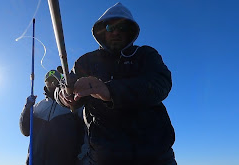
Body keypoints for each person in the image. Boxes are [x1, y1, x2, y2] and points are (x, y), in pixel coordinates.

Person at [55, 2, 177, 165]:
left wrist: (110, 91)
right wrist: (63, 95)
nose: (116, 32)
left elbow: (160, 84)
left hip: (155, 155)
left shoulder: (145, 55)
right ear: (102, 31)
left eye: (122, 28)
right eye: (110, 28)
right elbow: (68, 86)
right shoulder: (86, 62)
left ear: (130, 32)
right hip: (104, 156)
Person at [19, 70, 88, 165]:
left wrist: (81, 158)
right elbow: (25, 130)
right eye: (48, 82)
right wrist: (27, 108)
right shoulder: (38, 107)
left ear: (61, 83)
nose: (52, 85)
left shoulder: (72, 104)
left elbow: (85, 132)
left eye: (55, 82)